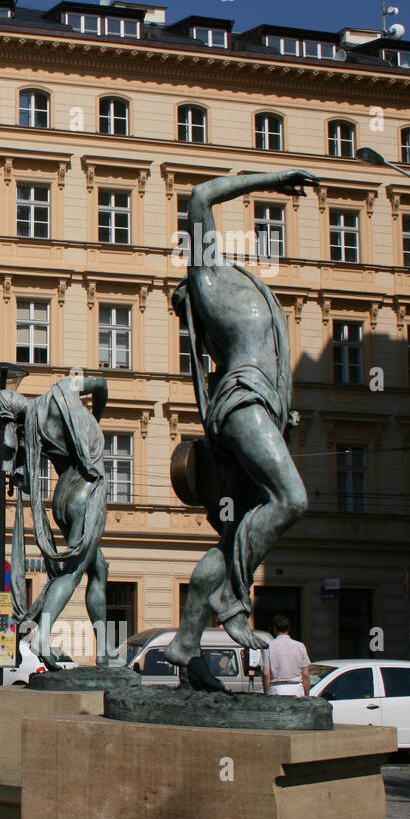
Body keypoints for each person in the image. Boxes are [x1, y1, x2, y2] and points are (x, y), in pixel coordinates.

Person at [163, 170, 318, 689]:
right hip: (242, 404)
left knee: (233, 535)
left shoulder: (240, 284)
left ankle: (185, 642)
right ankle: (232, 595)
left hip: (261, 408)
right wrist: (276, 179)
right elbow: (200, 195)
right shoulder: (209, 283)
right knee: (292, 500)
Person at [0, 375, 112, 666]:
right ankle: (42, 636)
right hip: (86, 491)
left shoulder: (30, 432)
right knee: (72, 573)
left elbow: (28, 482)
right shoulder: (66, 387)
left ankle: (105, 652)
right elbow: (102, 384)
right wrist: (95, 416)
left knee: (100, 570)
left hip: (62, 501)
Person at [263, 614, 311, 697]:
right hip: (296, 689)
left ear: (274, 628)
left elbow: (266, 673)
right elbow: (306, 674)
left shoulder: (268, 646)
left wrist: (267, 692)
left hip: (276, 689)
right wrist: (306, 694)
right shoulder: (300, 646)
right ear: (289, 629)